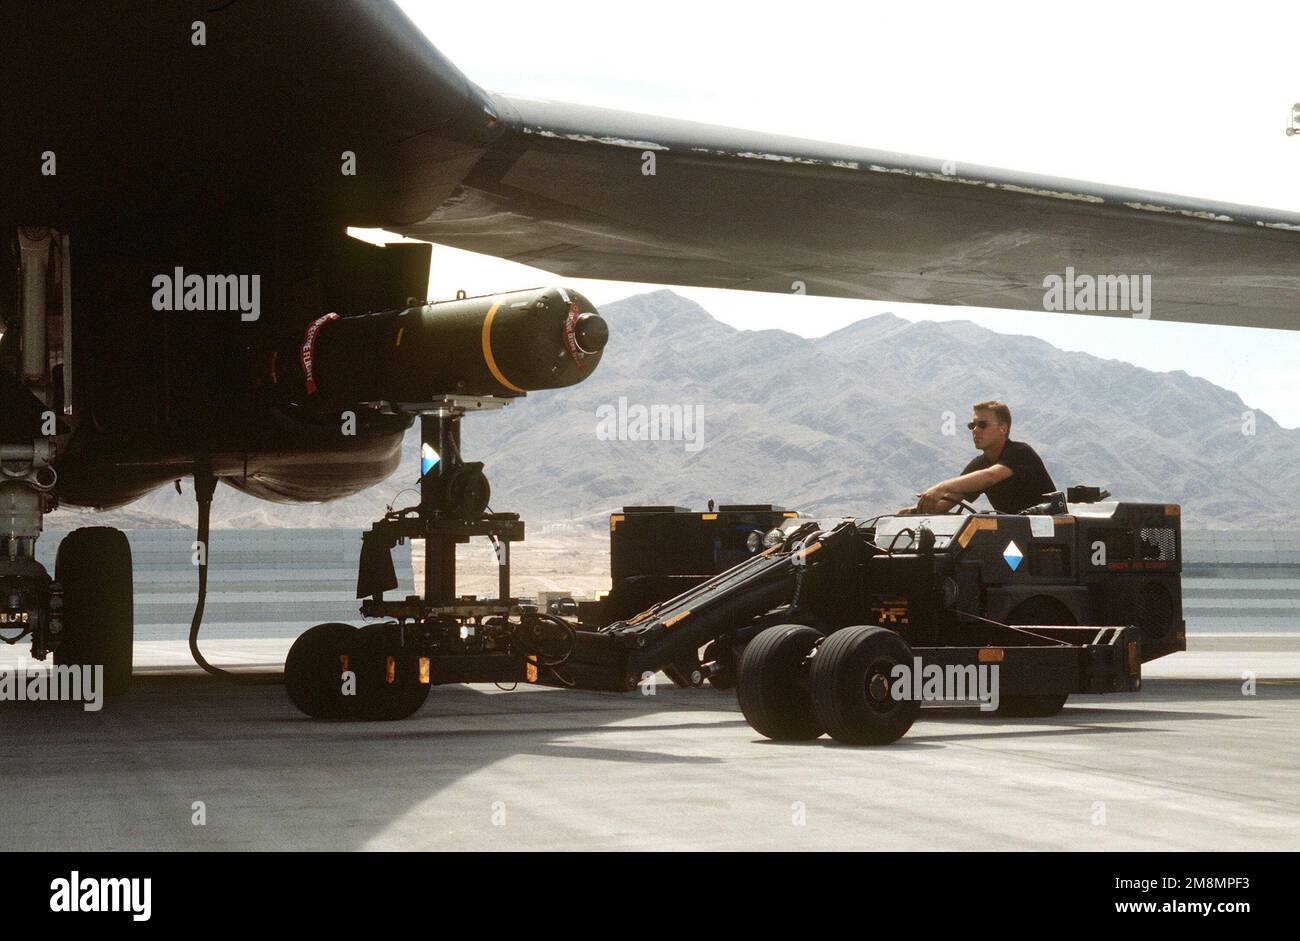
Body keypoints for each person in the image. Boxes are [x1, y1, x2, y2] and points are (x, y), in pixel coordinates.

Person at [900, 400, 1056, 515]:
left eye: (982, 425)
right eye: (972, 426)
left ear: (1003, 428)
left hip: (1049, 535)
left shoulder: (1020, 452)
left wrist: (941, 487)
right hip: (1016, 534)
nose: (975, 430)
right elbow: (946, 503)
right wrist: (915, 511)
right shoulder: (979, 464)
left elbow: (990, 476)